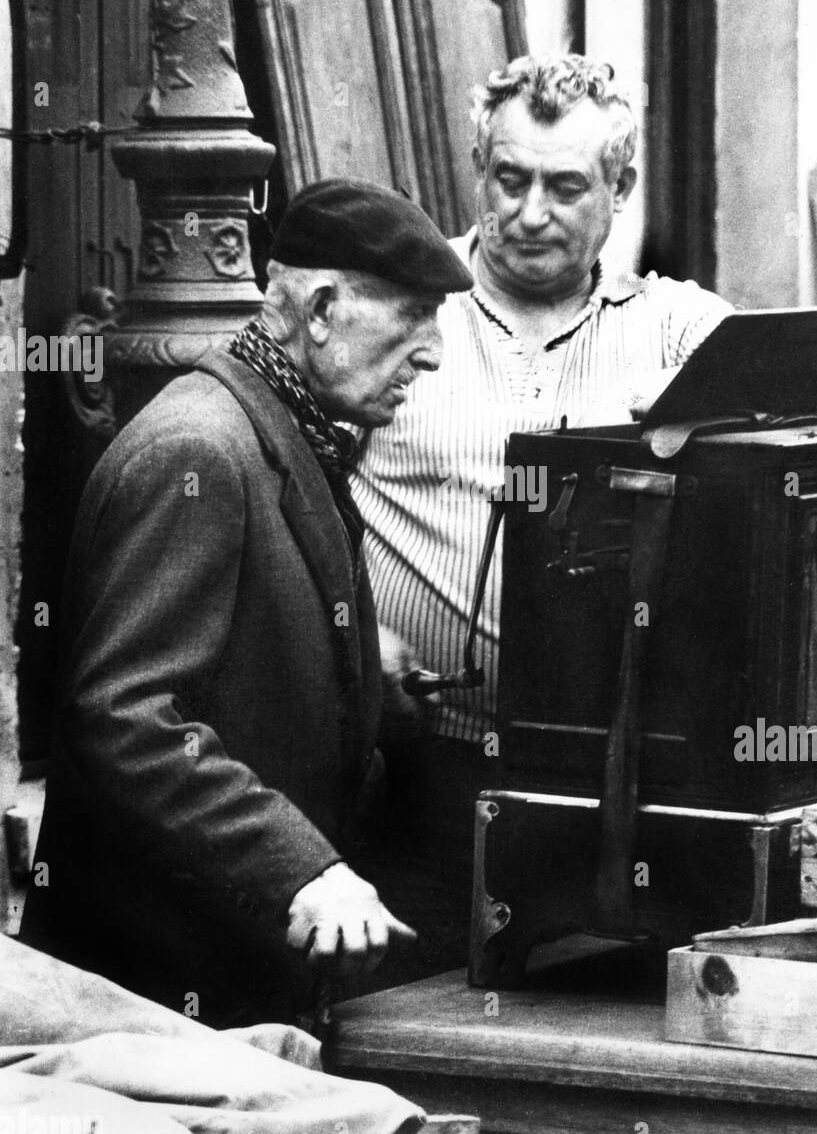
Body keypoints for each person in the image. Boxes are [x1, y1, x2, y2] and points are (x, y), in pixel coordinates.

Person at [21, 179, 474, 1028]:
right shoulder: (200, 449)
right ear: (324, 309)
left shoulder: (278, 428)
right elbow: (124, 717)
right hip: (155, 997)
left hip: (229, 980)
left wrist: (364, 687)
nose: (434, 352)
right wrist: (300, 869)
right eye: (413, 316)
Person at [353, 54, 733, 976]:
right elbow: (293, 496)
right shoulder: (393, 310)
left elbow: (786, 444)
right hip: (421, 771)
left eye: (566, 187)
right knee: (409, 1020)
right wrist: (354, 638)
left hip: (614, 782)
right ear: (477, 170)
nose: (529, 214)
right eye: (508, 179)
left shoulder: (678, 330)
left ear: (620, 188)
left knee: (591, 1031)